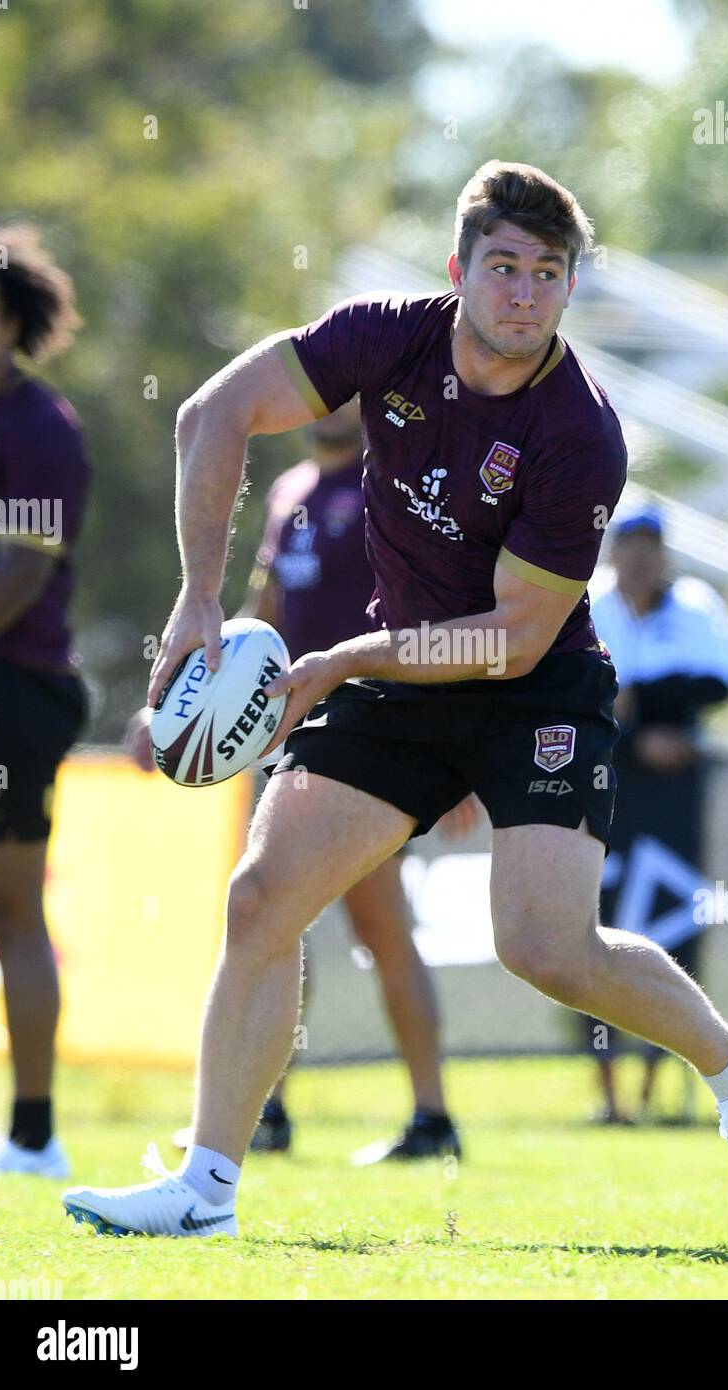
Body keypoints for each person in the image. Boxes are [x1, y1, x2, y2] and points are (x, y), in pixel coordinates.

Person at [62, 161, 728, 1237]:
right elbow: (211, 414)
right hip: (400, 678)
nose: (524, 293)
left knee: (548, 948)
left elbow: (512, 637)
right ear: (459, 271)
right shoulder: (387, 337)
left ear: (568, 291)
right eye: (503, 267)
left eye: (549, 273)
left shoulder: (580, 432)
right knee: (262, 900)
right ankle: (204, 1189)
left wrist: (344, 660)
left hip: (533, 689)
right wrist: (199, 598)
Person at [125, 398, 467, 1162]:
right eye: (323, 389)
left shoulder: (393, 486)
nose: (331, 403)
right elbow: (258, 614)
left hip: (368, 735)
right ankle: (265, 1110)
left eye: (347, 389)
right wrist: (175, 704)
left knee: (381, 932)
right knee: (270, 915)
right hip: (278, 737)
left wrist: (459, 751)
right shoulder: (290, 494)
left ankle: (433, 1117)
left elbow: (434, 614)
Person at [582, 507, 728, 1125]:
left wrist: (648, 711)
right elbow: (599, 691)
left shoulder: (694, 604)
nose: (640, 559)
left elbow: (718, 680)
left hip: (674, 790)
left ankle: (654, 1088)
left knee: (671, 923)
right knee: (595, 923)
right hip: (606, 784)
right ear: (613, 550)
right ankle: (608, 1095)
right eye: (630, 545)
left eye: (651, 546)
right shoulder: (593, 601)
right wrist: (642, 726)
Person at [0, 224, 90, 1179]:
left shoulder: (38, 430)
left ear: (10, 321)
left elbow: (18, 578)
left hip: (9, 695)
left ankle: (32, 1133)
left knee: (11, 909)